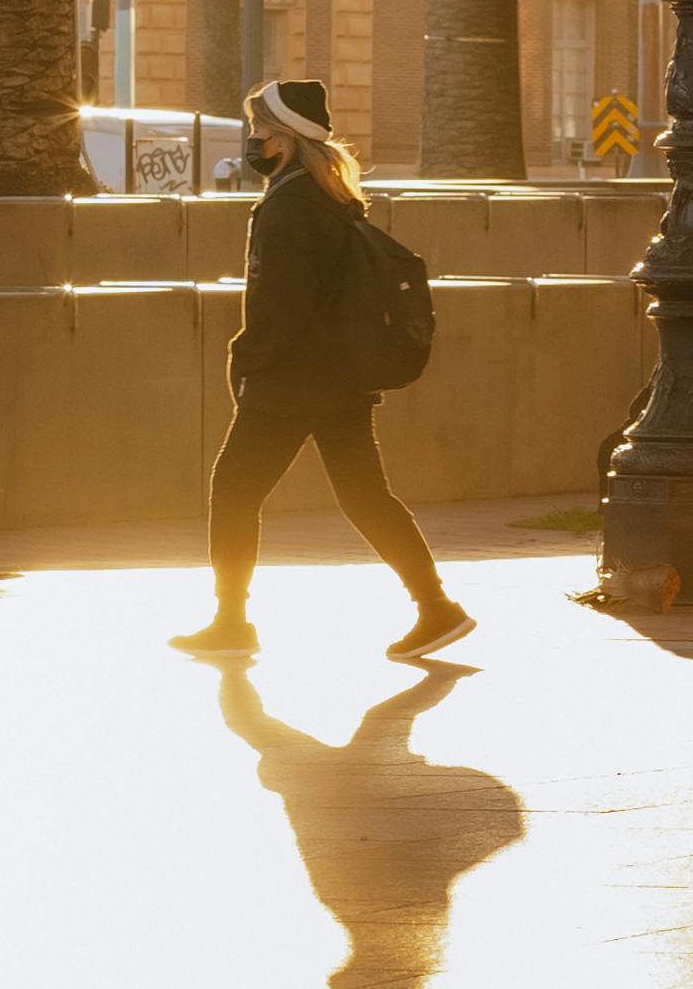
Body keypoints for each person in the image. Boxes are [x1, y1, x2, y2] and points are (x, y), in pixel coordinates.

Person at [178, 77, 472, 663]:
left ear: (285, 139)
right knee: (366, 495)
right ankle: (436, 608)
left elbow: (280, 303)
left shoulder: (286, 208)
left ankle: (232, 622)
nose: (252, 140)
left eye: (260, 130)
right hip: (340, 376)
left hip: (291, 380)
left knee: (234, 489)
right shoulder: (331, 197)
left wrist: (247, 362)